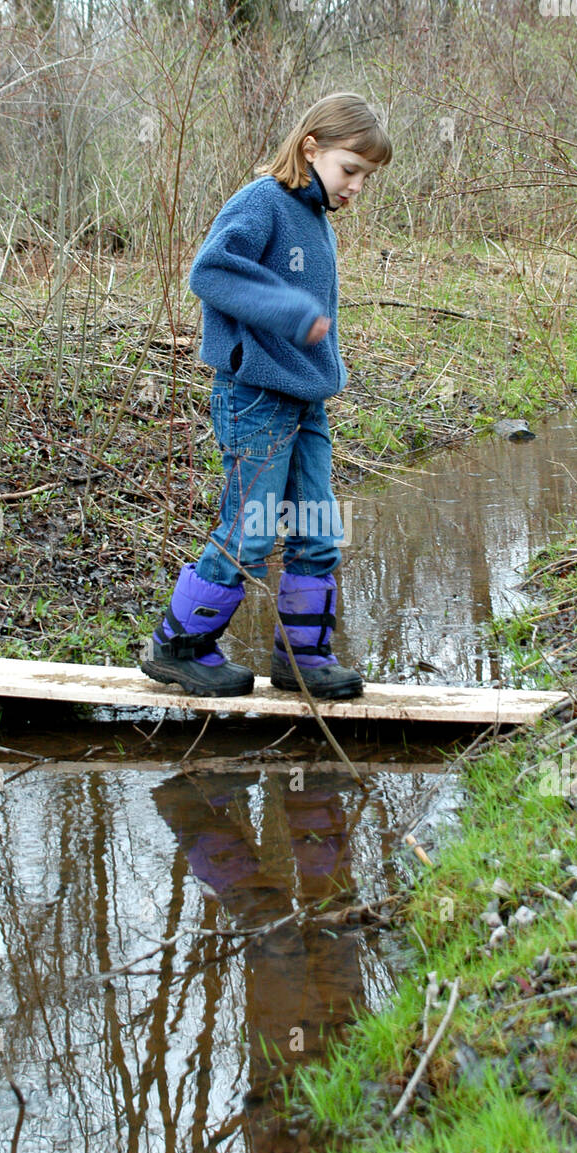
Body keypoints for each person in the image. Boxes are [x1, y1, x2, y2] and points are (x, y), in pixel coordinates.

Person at [141, 92, 393, 700]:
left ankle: (302, 657)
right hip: (254, 397)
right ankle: (178, 644)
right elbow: (211, 272)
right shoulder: (264, 202)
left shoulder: (316, 220)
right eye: (350, 170)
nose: (356, 186)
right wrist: (290, 310)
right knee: (252, 528)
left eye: (366, 176)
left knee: (317, 526)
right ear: (311, 148)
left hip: (306, 401)